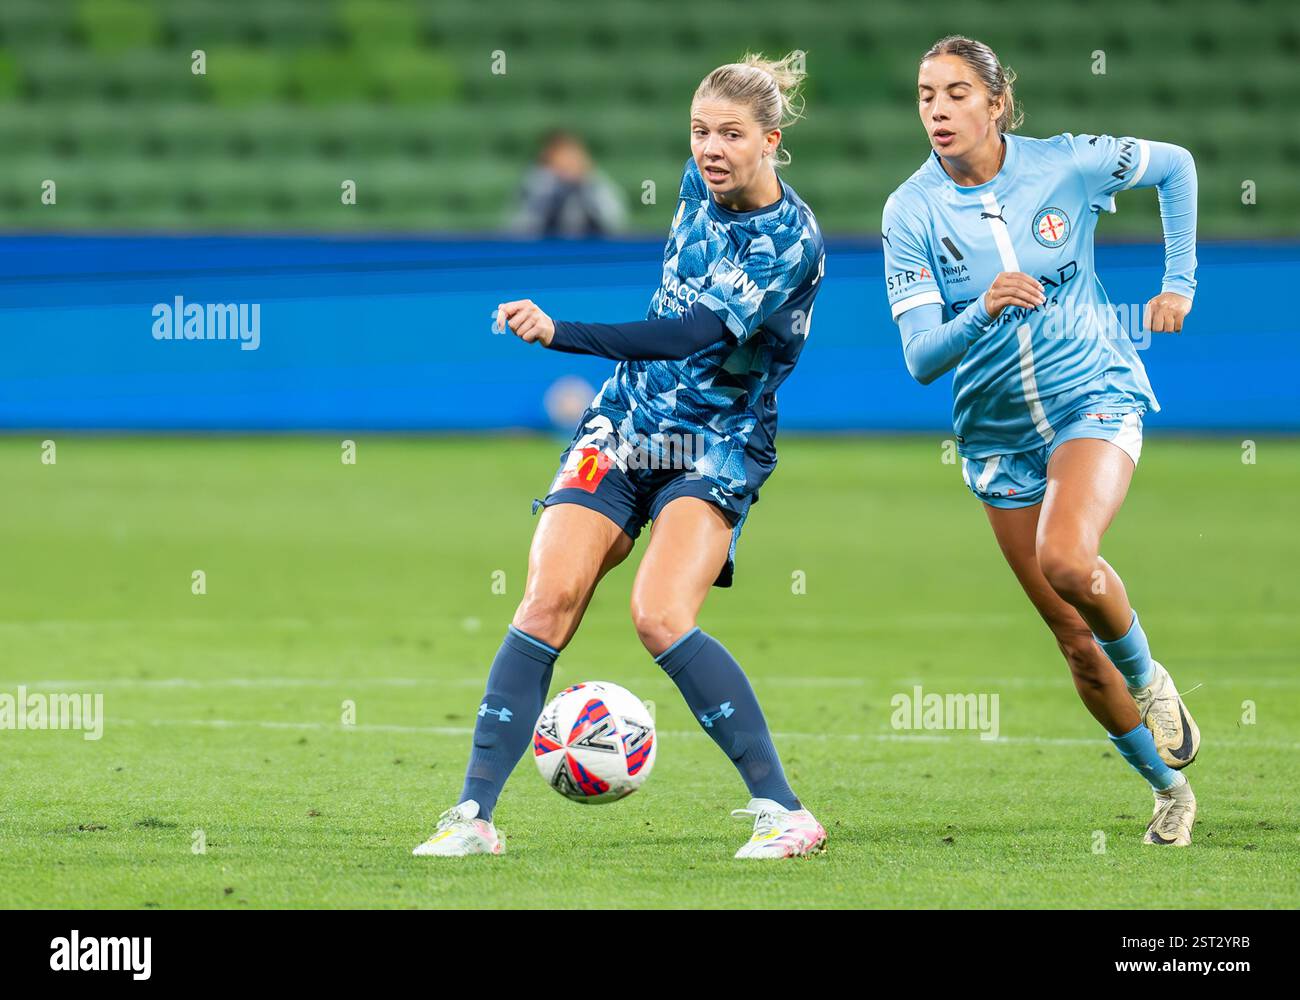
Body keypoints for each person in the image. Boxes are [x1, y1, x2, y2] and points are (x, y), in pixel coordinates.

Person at [416, 53, 828, 859]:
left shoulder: (790, 241)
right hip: (625, 425)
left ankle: (786, 813)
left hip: (716, 443)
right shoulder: (696, 180)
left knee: (659, 616)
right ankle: (471, 818)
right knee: (546, 601)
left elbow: (692, 335)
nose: (710, 148)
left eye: (732, 134)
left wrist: (561, 331)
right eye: (700, 131)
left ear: (771, 140)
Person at [881, 36, 1201, 846]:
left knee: (1068, 557)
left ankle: (1152, 677)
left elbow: (1179, 167)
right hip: (995, 438)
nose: (939, 110)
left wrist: (1179, 280)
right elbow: (922, 359)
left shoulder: (1066, 164)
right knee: (1071, 636)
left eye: (957, 93)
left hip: (1091, 393)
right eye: (925, 95)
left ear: (997, 103)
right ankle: (1169, 791)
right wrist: (982, 307)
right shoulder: (909, 210)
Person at [511, 129, 626, 237]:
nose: (569, 163)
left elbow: (613, 221)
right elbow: (525, 225)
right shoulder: (536, 182)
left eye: (573, 158)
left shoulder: (595, 182)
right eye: (562, 158)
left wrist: (584, 187)